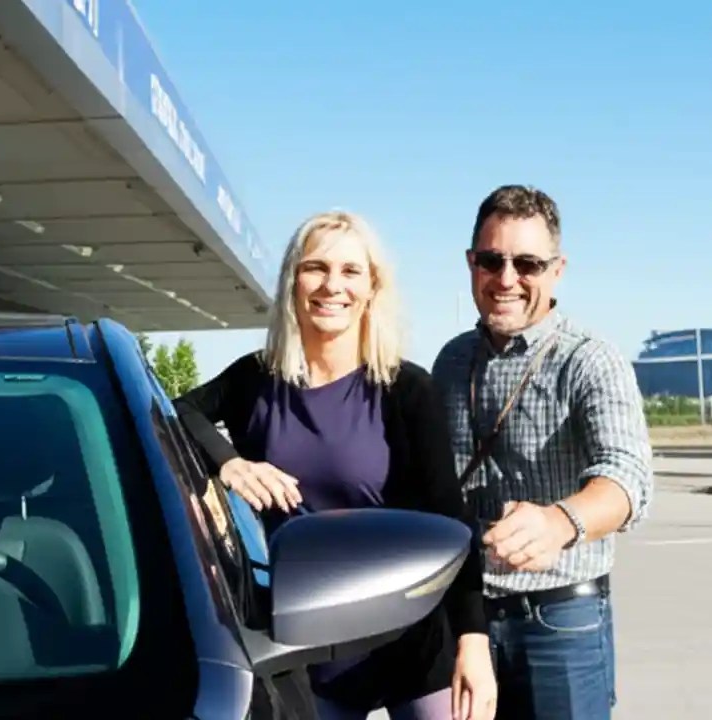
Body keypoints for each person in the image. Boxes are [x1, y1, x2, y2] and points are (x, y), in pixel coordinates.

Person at [173, 209, 498, 720]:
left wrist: (473, 643)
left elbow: (451, 519)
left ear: (372, 288)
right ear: (292, 281)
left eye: (350, 271)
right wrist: (229, 463)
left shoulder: (406, 388)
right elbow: (173, 413)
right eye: (316, 268)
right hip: (307, 652)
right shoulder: (256, 380)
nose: (332, 286)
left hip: (411, 641)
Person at [431, 185, 654, 719]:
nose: (507, 279)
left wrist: (559, 522)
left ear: (557, 270)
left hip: (561, 622)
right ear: (471, 264)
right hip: (464, 624)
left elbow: (628, 479)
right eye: (492, 260)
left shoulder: (590, 360)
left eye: (527, 263)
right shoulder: (450, 362)